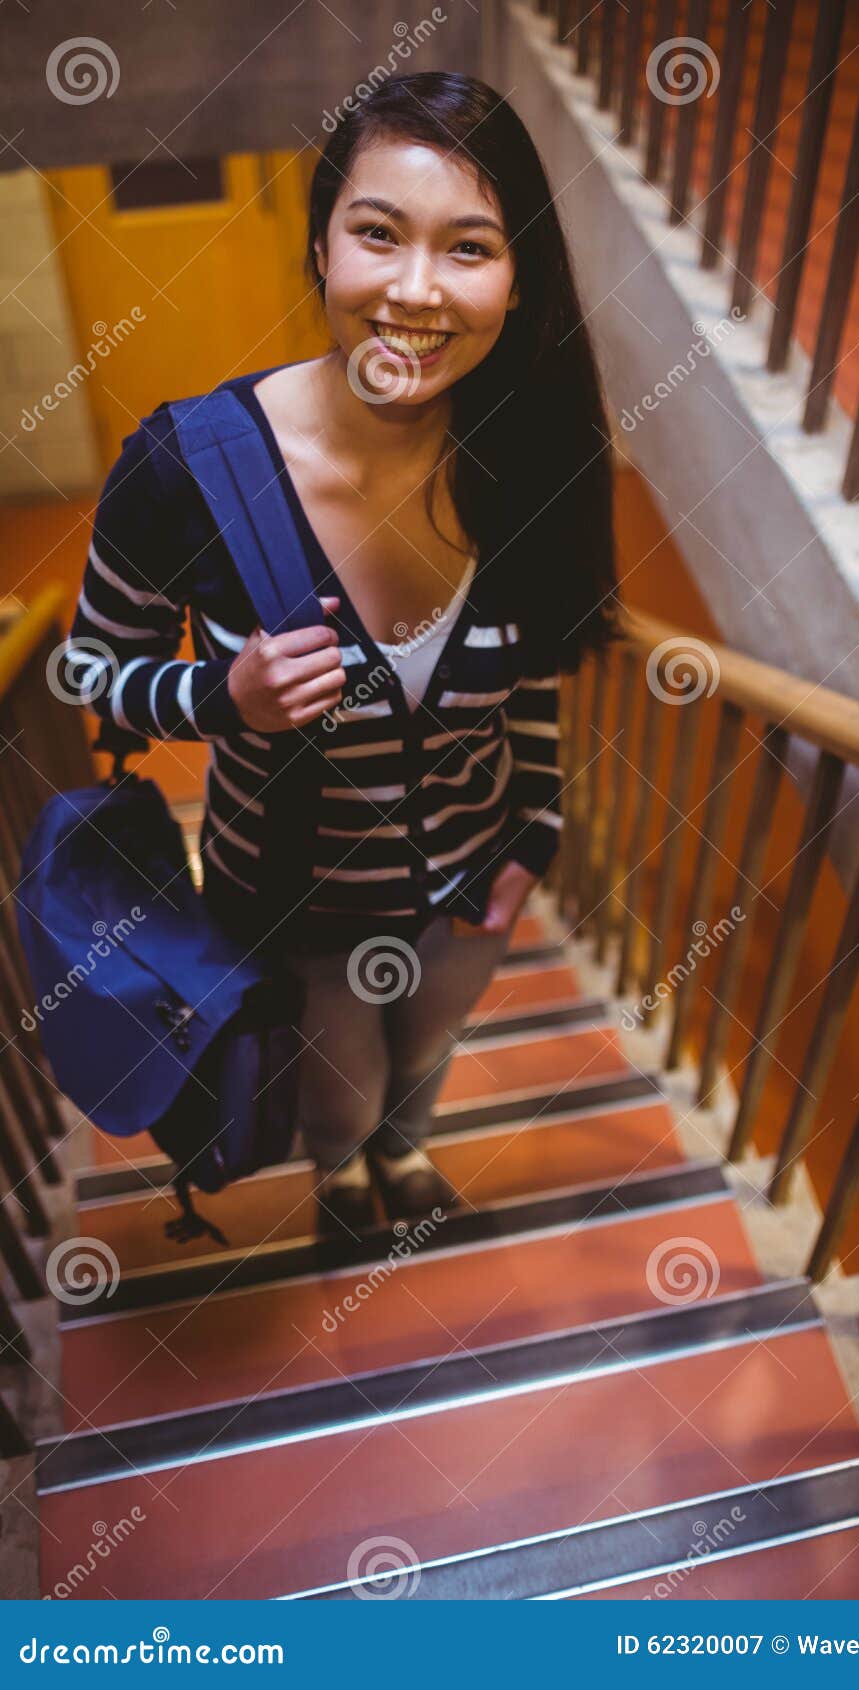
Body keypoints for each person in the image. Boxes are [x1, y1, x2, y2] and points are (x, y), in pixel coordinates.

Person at [62, 70, 622, 1240]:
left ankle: (403, 1158)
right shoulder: (186, 469)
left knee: (424, 1052)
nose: (414, 291)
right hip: (301, 896)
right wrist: (224, 697)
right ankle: (343, 1182)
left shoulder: (524, 458)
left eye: (468, 247)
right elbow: (88, 673)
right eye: (377, 234)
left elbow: (532, 671)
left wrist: (537, 831)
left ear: (517, 283)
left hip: (476, 872)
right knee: (340, 1077)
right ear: (320, 246)